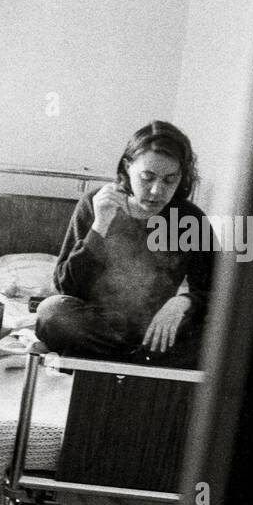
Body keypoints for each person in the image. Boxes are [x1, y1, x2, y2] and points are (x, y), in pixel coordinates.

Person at [35, 121, 216, 368]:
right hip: (98, 326)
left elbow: (216, 291)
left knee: (222, 334)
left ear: (182, 177)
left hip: (155, 331)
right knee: (52, 312)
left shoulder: (189, 219)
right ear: (128, 167)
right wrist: (99, 226)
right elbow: (65, 286)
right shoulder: (94, 204)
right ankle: (138, 364)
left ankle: (101, 361)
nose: (156, 191)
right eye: (147, 177)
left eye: (169, 180)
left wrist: (182, 302)